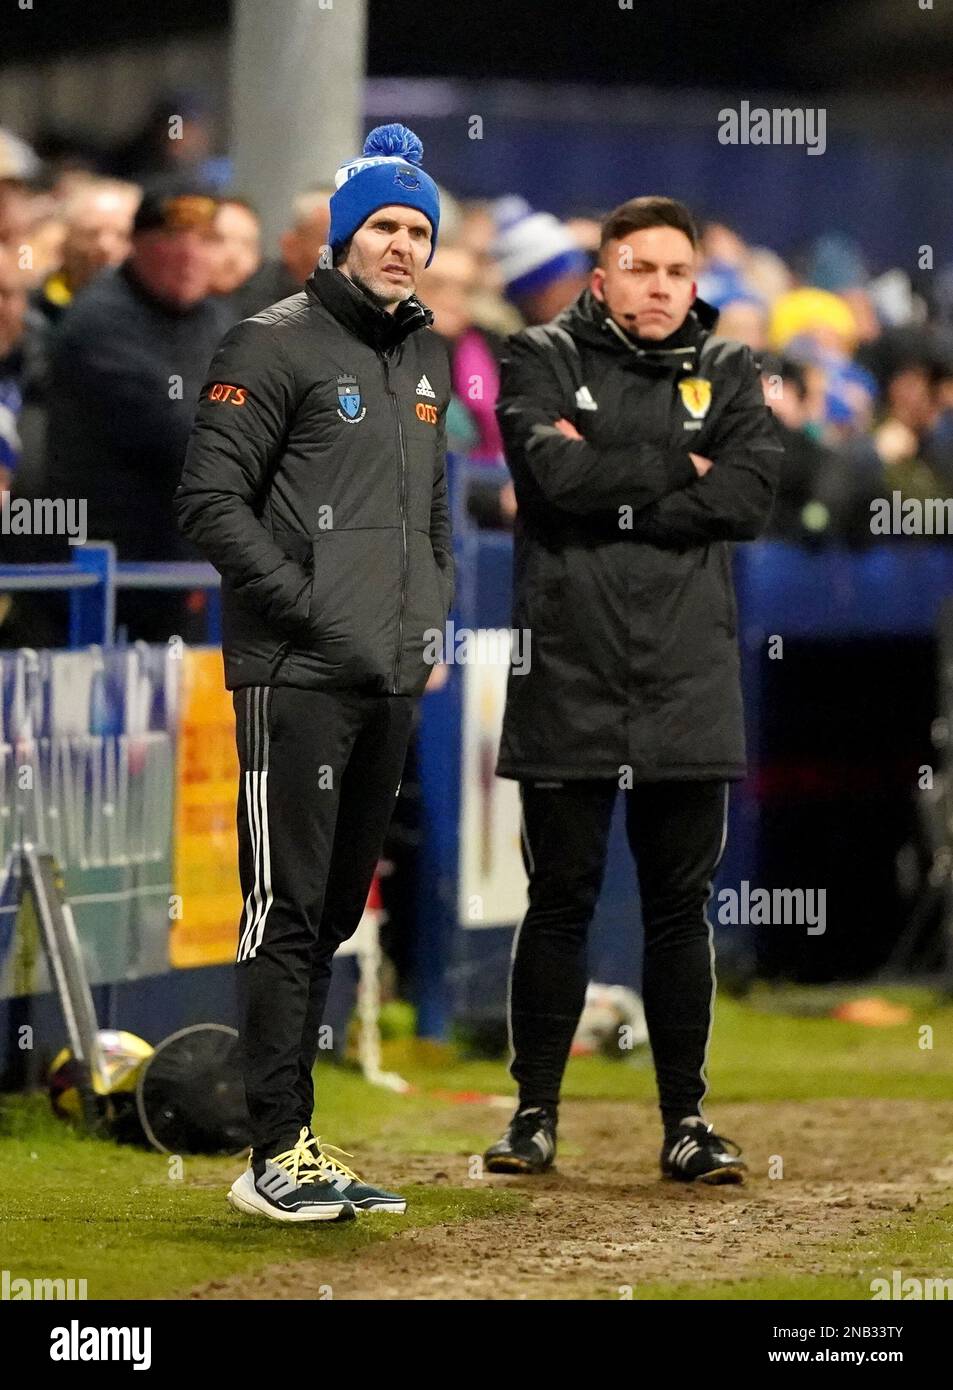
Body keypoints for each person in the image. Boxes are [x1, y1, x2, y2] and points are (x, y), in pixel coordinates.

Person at [175, 123, 454, 1224]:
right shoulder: (270, 342)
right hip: (294, 672)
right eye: (383, 225)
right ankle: (273, 1152)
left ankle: (298, 1142)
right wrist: (312, 612)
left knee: (335, 909)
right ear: (341, 237)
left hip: (387, 678)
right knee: (282, 910)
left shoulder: (423, 357)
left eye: (417, 228)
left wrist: (421, 632)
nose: (400, 244)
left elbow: (433, 518)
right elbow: (208, 505)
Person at [483, 196, 782, 1184]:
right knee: (557, 897)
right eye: (638, 268)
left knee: (675, 907)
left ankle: (685, 1123)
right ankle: (531, 1117)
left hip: (686, 676)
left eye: (675, 273)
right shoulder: (536, 357)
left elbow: (742, 497)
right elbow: (549, 480)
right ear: (599, 274)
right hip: (567, 669)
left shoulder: (731, 369)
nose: (658, 288)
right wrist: (672, 471)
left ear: (693, 282)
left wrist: (610, 487)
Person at [32, 178, 139, 326]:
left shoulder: (162, 310)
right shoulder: (33, 310)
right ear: (64, 243)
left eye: (122, 235)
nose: (105, 246)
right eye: (90, 234)